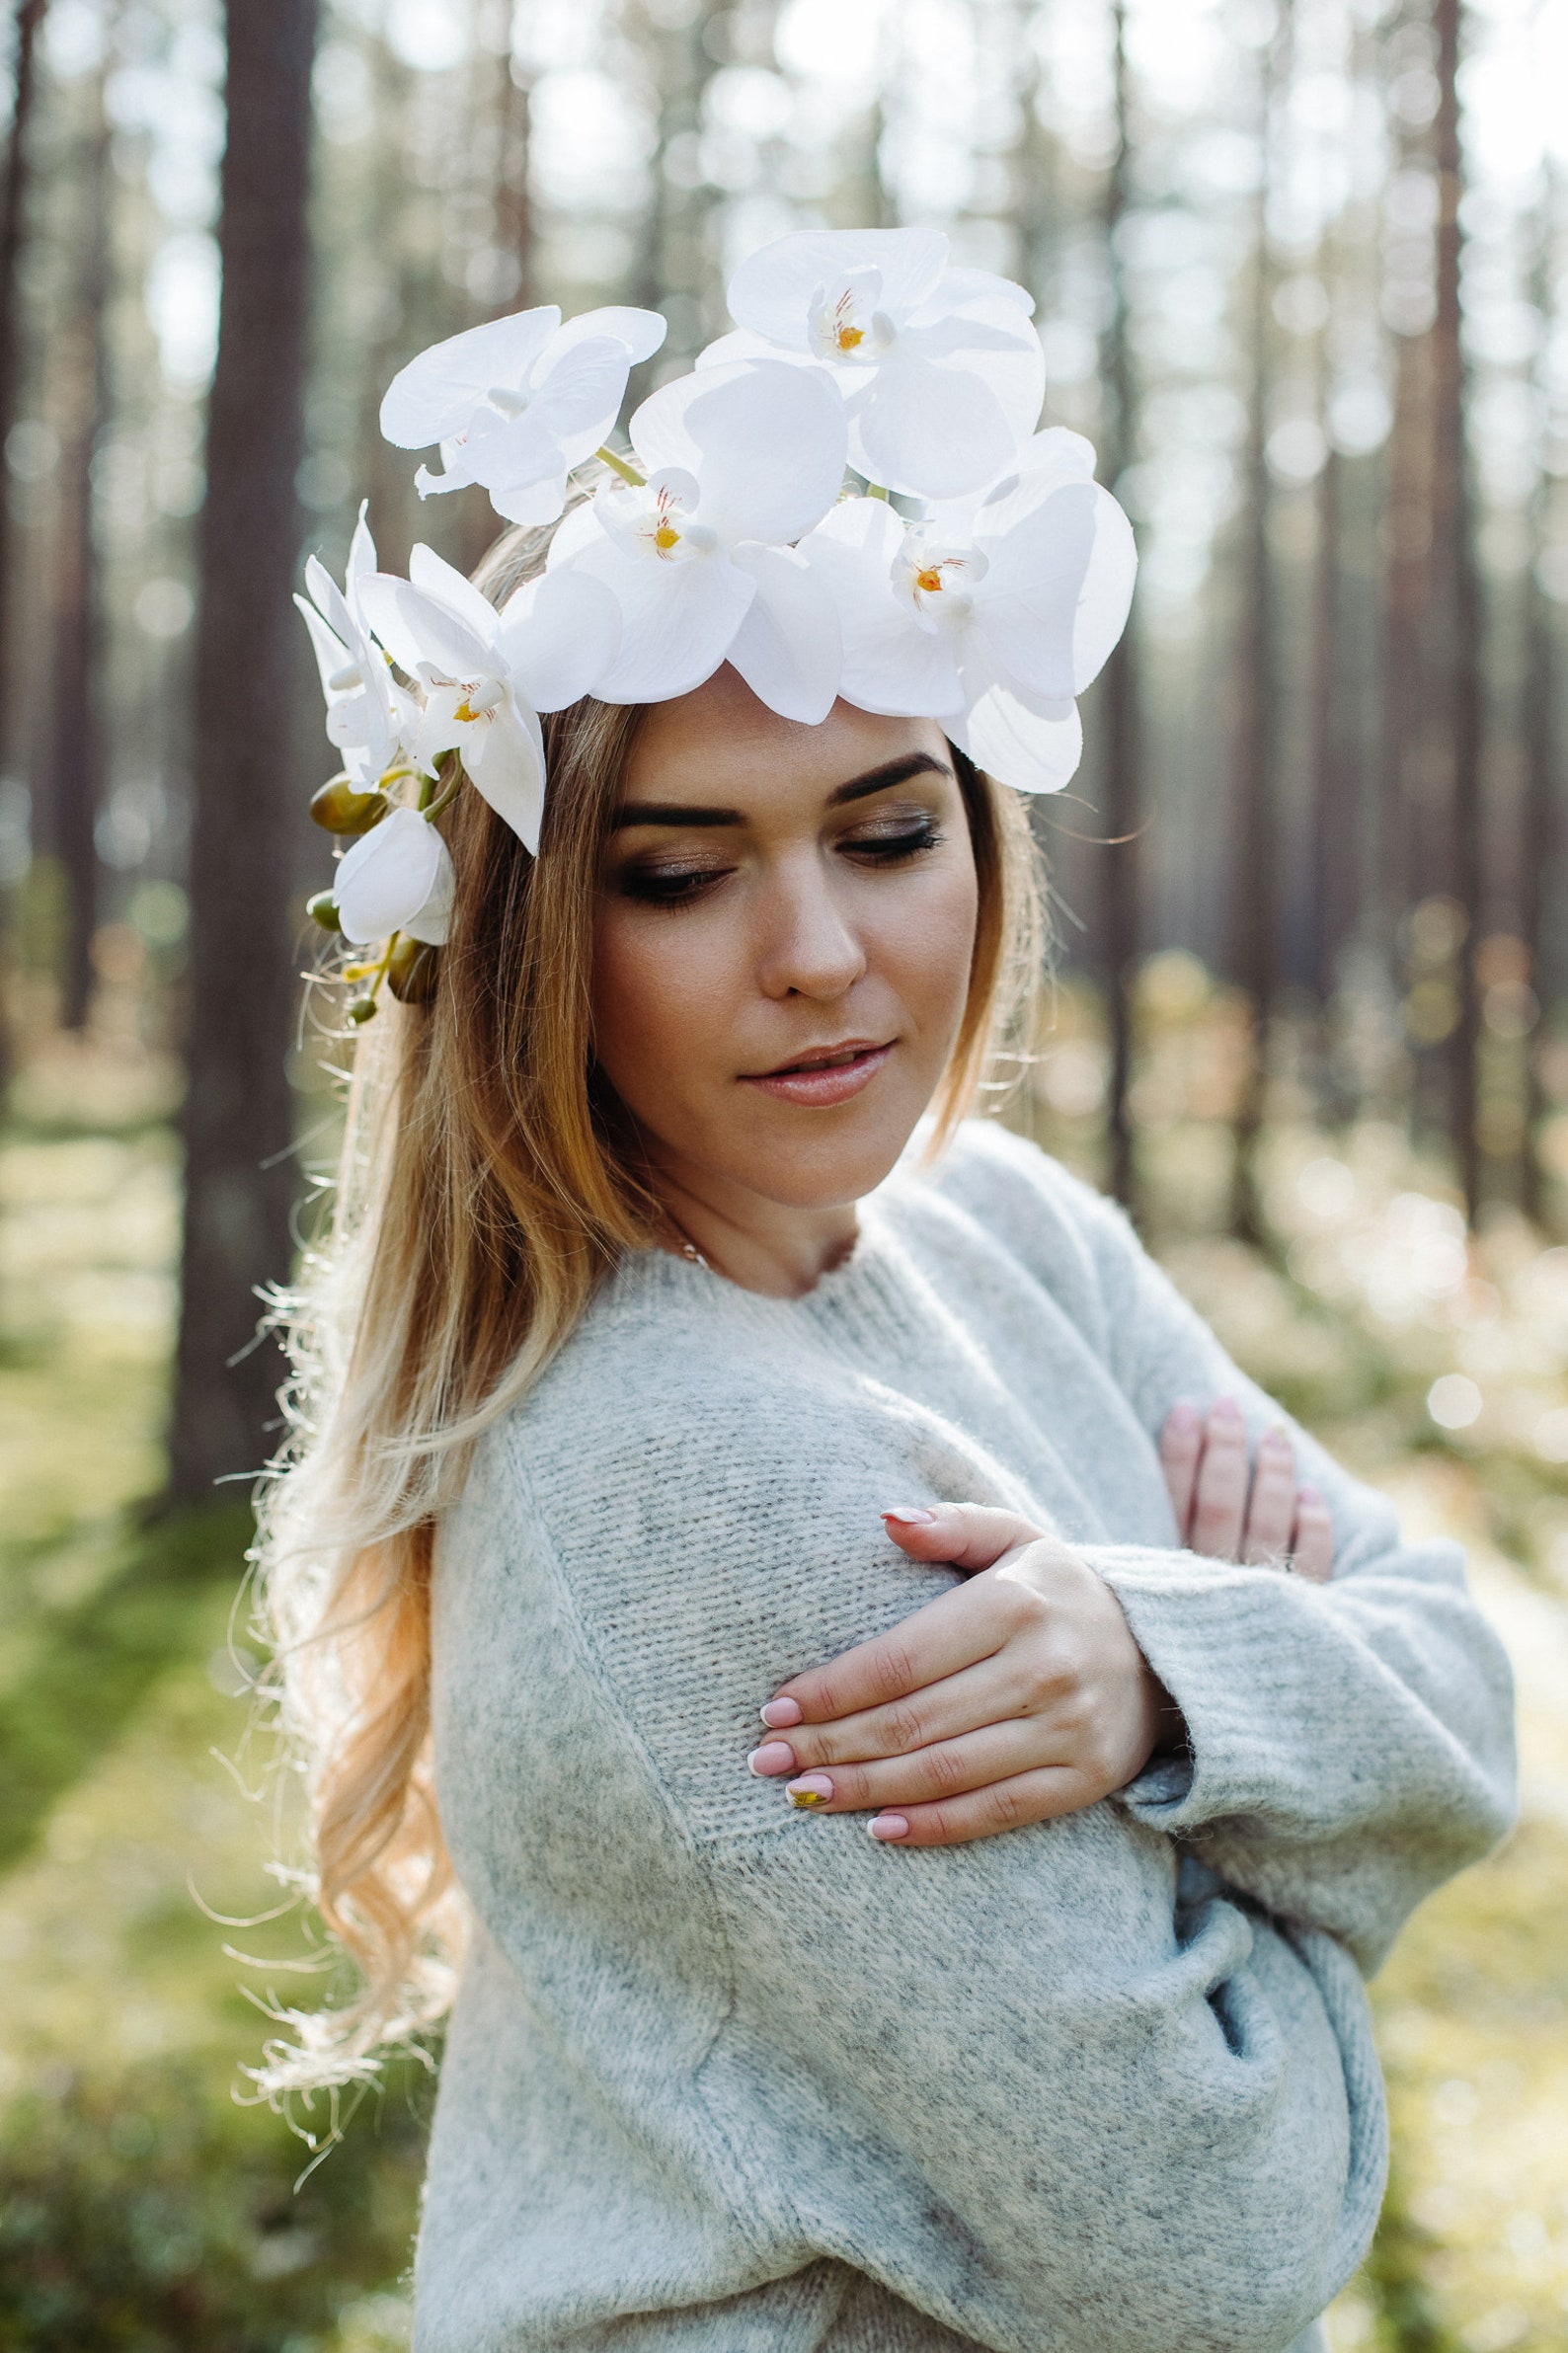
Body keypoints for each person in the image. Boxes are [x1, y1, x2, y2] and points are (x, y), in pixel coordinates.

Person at [258, 233, 1516, 2353]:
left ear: (981, 836)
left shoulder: (1001, 1225)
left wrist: (1157, 1669)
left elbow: (1463, 1696)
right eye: (681, 869)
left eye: (881, 829)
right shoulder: (691, 1472)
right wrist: (1293, 1787)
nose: (822, 952)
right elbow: (1209, 2249)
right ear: (537, 933)